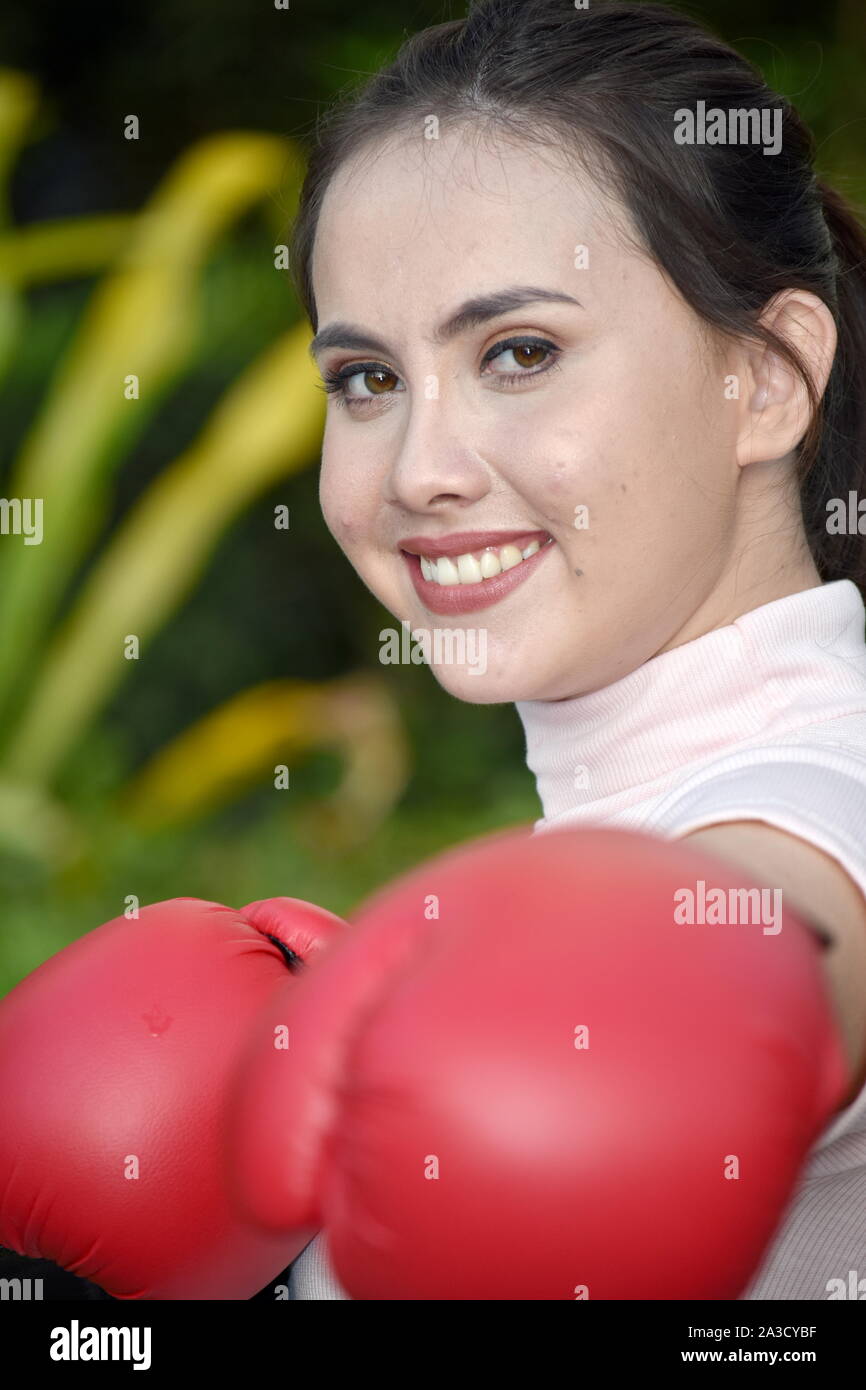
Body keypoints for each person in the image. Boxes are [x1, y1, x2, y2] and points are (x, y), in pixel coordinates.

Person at [279, 0, 866, 1298]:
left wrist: (661, 990)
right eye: (366, 379)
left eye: (519, 351)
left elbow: (779, 925)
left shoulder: (810, 793)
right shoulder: (640, 811)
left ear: (765, 377)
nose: (420, 471)